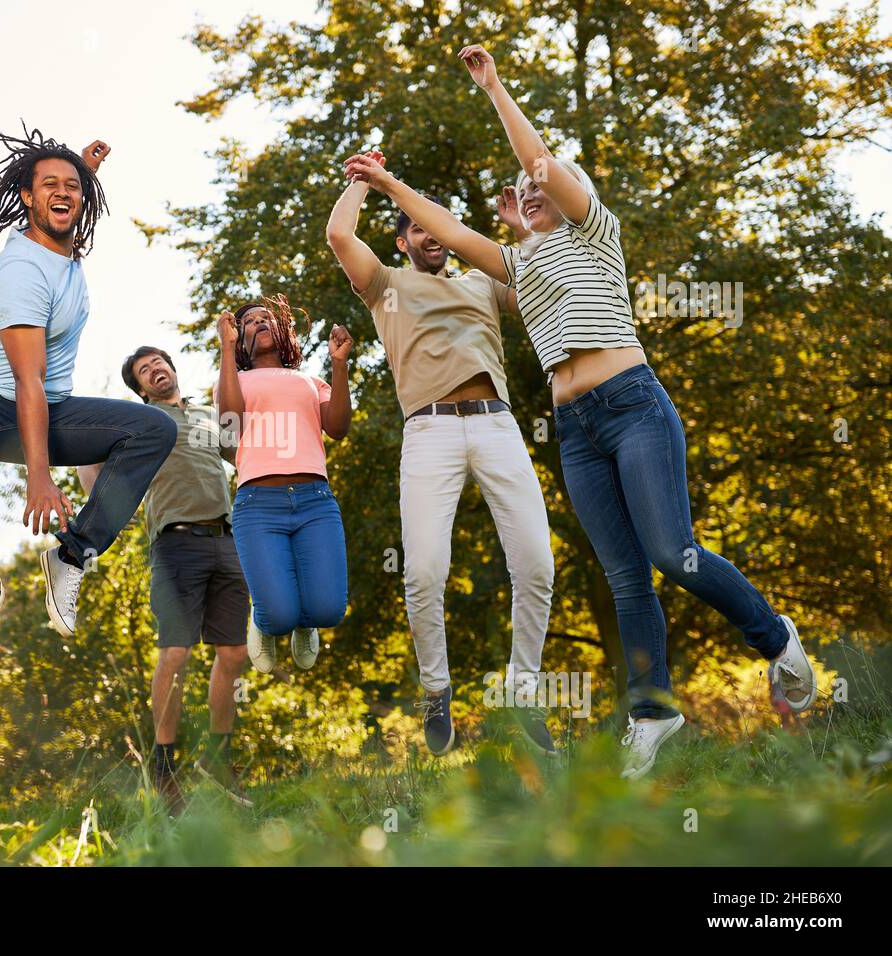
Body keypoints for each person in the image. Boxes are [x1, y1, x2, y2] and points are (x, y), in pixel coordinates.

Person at [344, 45, 816, 779]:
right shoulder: (518, 265)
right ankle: (654, 712)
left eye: (542, 194)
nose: (530, 196)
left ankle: (776, 638)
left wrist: (493, 87)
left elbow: (539, 167)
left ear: (572, 197)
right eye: (523, 200)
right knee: (626, 577)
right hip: (577, 430)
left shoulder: (597, 234)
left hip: (632, 406)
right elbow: (448, 228)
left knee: (672, 554)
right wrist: (385, 182)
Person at [327, 153, 557, 756]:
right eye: (418, 229)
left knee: (536, 564)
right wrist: (362, 180)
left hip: (497, 425)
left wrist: (521, 232)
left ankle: (524, 693)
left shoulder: (482, 281)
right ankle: (436, 688)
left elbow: (543, 287)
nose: (431, 235)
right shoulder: (386, 288)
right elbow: (338, 235)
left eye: (437, 226)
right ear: (403, 242)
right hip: (429, 432)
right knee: (425, 570)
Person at [0, 125, 176, 636]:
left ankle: (72, 557)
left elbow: (61, 208)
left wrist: (81, 171)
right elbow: (26, 378)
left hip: (48, 409)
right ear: (26, 197)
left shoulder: (64, 249)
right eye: (49, 186)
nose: (64, 193)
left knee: (154, 429)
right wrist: (39, 476)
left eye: (72, 187)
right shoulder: (20, 269)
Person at [80, 347, 251, 812]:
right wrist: (95, 486)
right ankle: (164, 766)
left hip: (228, 539)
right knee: (176, 652)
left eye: (159, 363)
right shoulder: (140, 425)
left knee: (234, 653)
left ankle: (217, 756)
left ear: (173, 370)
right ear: (139, 389)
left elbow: (245, 457)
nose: (155, 370)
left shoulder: (205, 415)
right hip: (175, 544)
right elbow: (90, 467)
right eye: (143, 370)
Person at [214, 296, 352, 676]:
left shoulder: (309, 380)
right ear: (239, 340)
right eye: (248, 323)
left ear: (284, 332)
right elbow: (229, 424)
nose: (258, 323)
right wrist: (226, 349)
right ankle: (264, 623)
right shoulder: (233, 379)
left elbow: (338, 427)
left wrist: (339, 365)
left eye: (266, 319)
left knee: (328, 611)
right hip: (258, 505)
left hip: (315, 502)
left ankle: (306, 622)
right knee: (277, 615)